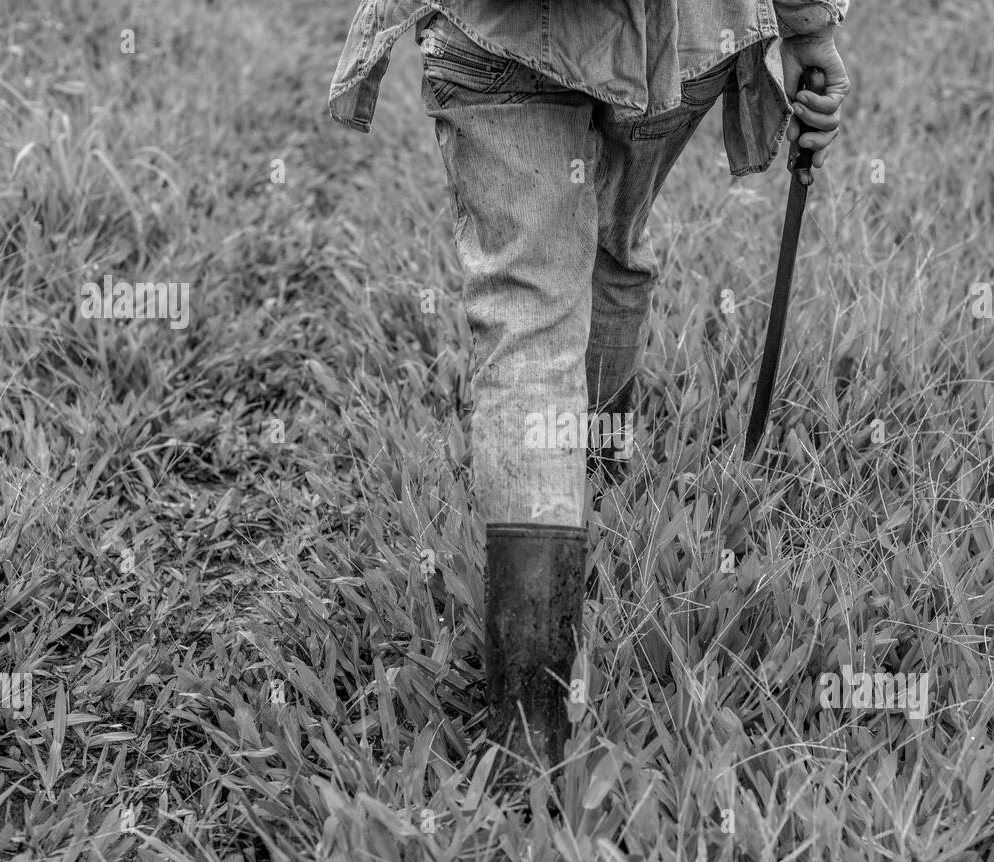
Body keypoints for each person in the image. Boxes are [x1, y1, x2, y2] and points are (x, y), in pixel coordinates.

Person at [328, 1, 851, 771]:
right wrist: (809, 30)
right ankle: (597, 481)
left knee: (529, 318)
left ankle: (527, 734)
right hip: (680, 33)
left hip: (495, 28)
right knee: (614, 238)